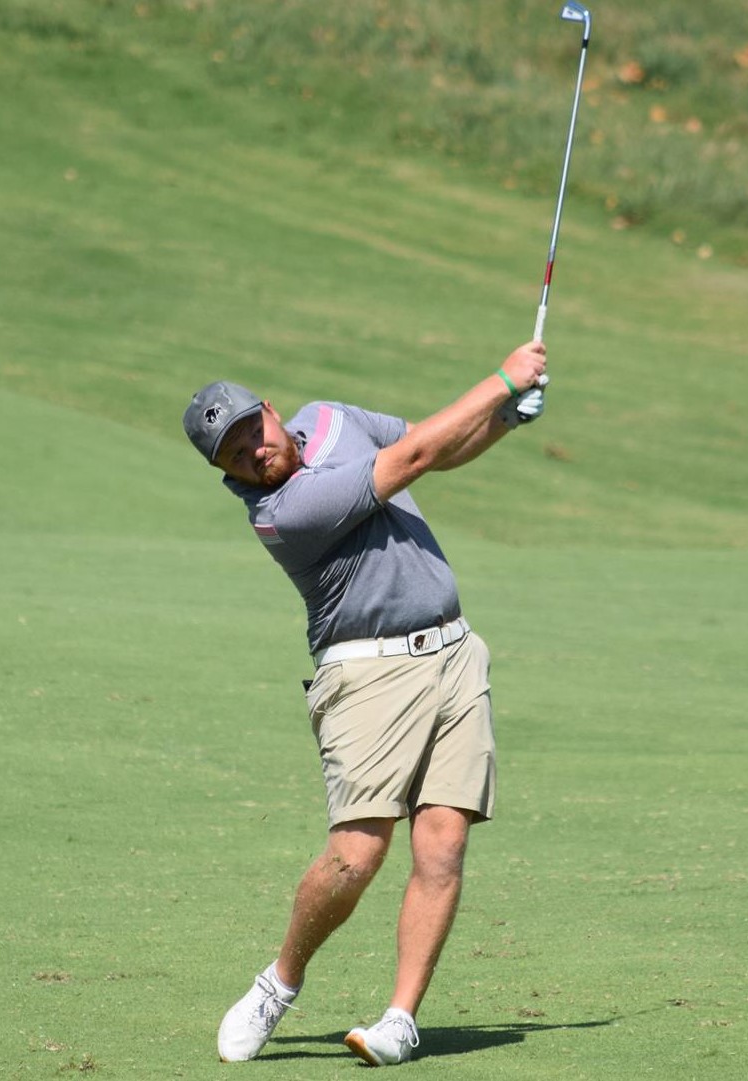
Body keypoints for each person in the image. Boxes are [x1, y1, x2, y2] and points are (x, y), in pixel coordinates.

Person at [182, 341, 549, 1066]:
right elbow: (409, 458)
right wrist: (501, 377)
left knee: (442, 842)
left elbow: (436, 449)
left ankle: (399, 1019)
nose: (253, 451)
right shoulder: (283, 512)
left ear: (271, 411)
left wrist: (504, 417)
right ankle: (278, 981)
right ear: (226, 474)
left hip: (452, 652)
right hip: (366, 676)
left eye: (251, 430)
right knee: (356, 854)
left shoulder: (332, 418)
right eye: (233, 454)